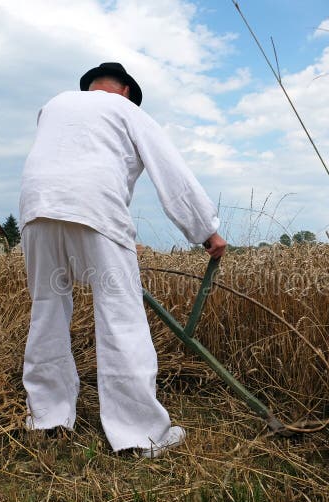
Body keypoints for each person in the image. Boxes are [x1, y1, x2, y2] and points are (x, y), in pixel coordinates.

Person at [19, 62, 226, 458]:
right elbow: (171, 170)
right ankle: (139, 435)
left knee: (47, 309)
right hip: (95, 206)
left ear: (89, 87)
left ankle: (46, 417)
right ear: (126, 90)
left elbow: (60, 159)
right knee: (120, 316)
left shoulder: (54, 105)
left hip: (36, 209)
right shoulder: (126, 109)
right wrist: (205, 230)